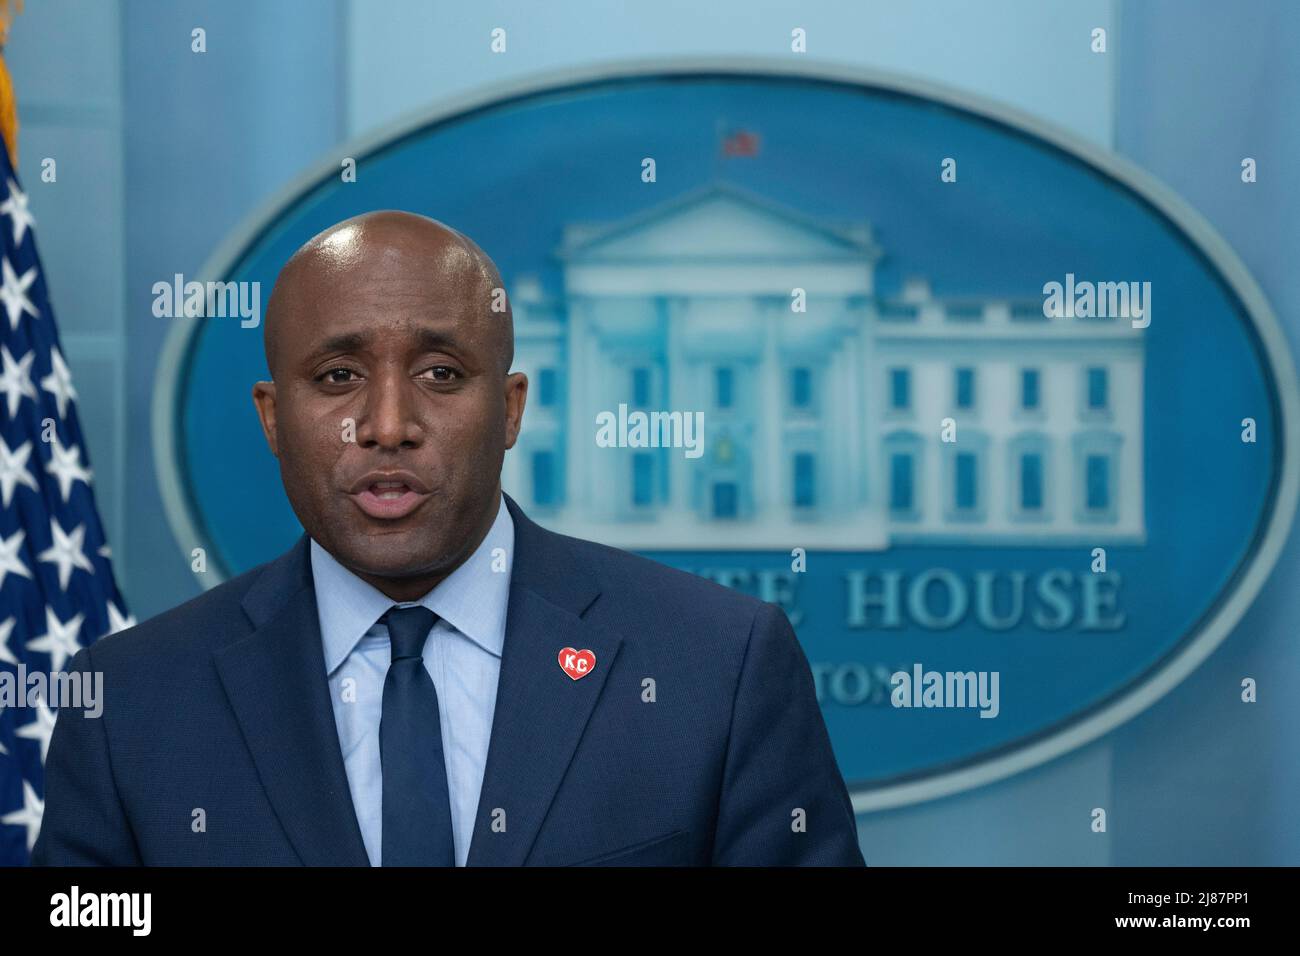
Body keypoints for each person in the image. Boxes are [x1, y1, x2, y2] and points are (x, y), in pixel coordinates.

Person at [31, 211, 865, 866]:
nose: (388, 424)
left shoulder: (718, 667)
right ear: (273, 419)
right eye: (338, 377)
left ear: (509, 410)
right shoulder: (129, 702)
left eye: (440, 374)